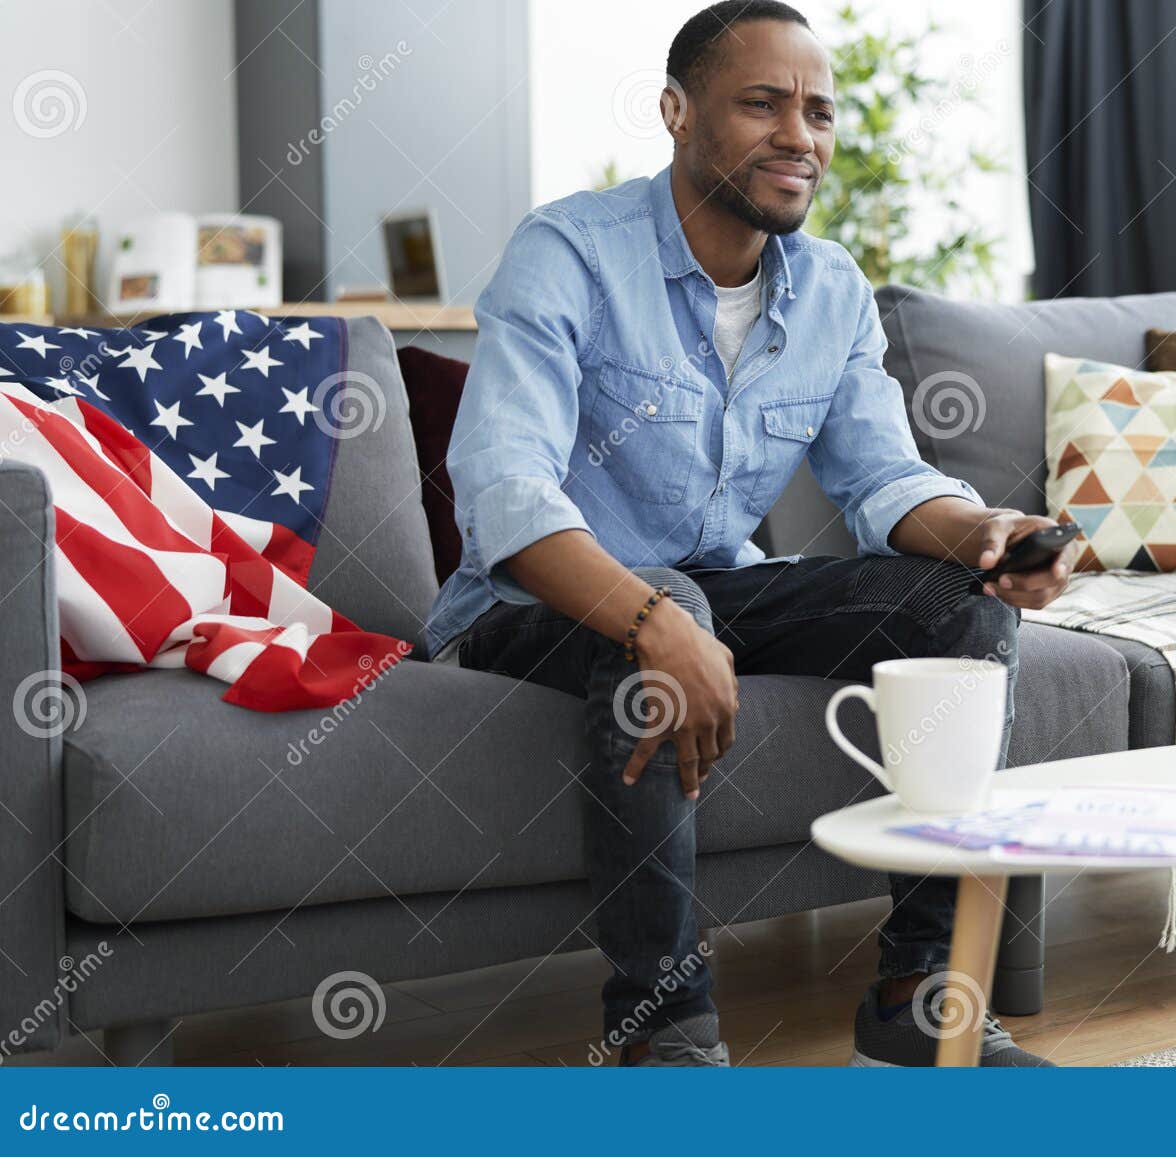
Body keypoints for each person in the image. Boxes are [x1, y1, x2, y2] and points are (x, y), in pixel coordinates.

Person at [424, 0, 1074, 1066]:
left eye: (818, 111)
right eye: (762, 102)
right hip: (526, 608)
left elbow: (883, 481)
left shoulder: (829, 290)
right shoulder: (568, 252)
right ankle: (663, 1032)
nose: (799, 135)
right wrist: (649, 614)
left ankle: (918, 992)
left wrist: (989, 532)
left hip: (714, 589)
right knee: (671, 603)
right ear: (678, 112)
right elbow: (504, 488)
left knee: (953, 608)